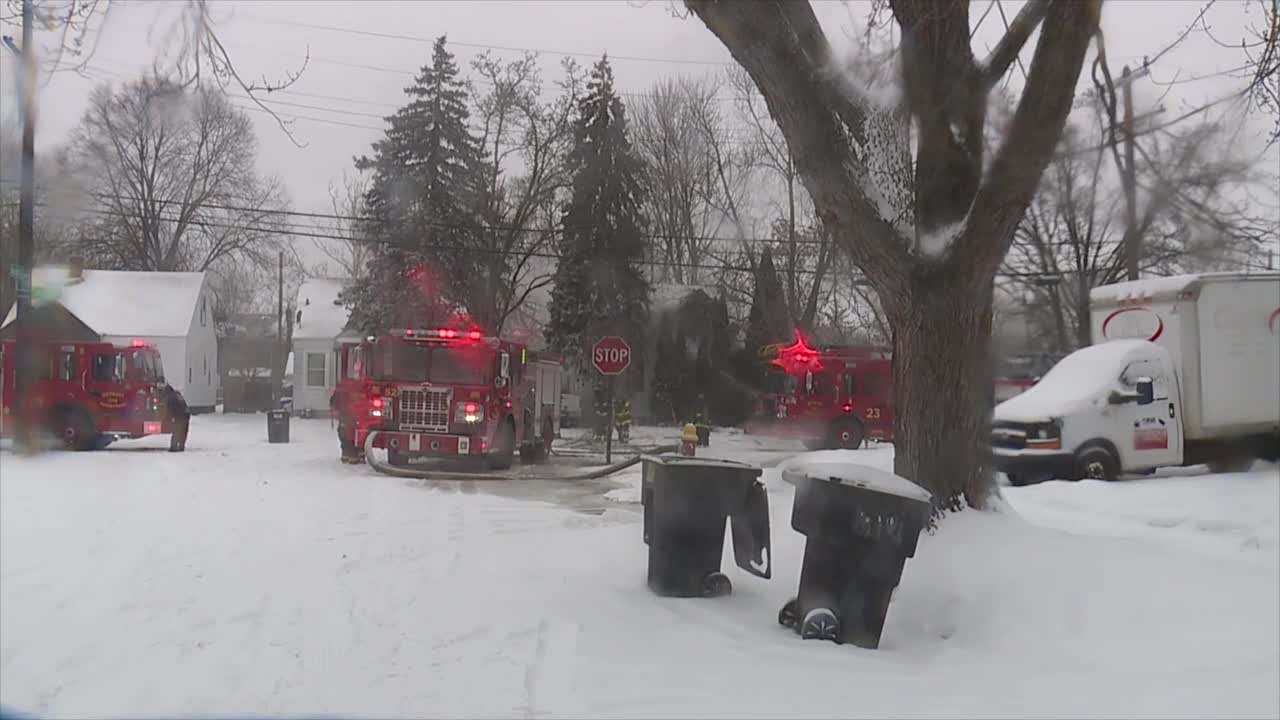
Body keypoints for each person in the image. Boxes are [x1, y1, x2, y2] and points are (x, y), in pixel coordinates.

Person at [162, 384, 190, 452]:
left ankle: (173, 447)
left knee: (176, 431)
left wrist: (167, 419)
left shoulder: (170, 397)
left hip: (179, 415)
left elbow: (170, 410)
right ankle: (181, 446)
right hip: (186, 414)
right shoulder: (178, 395)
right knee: (183, 431)